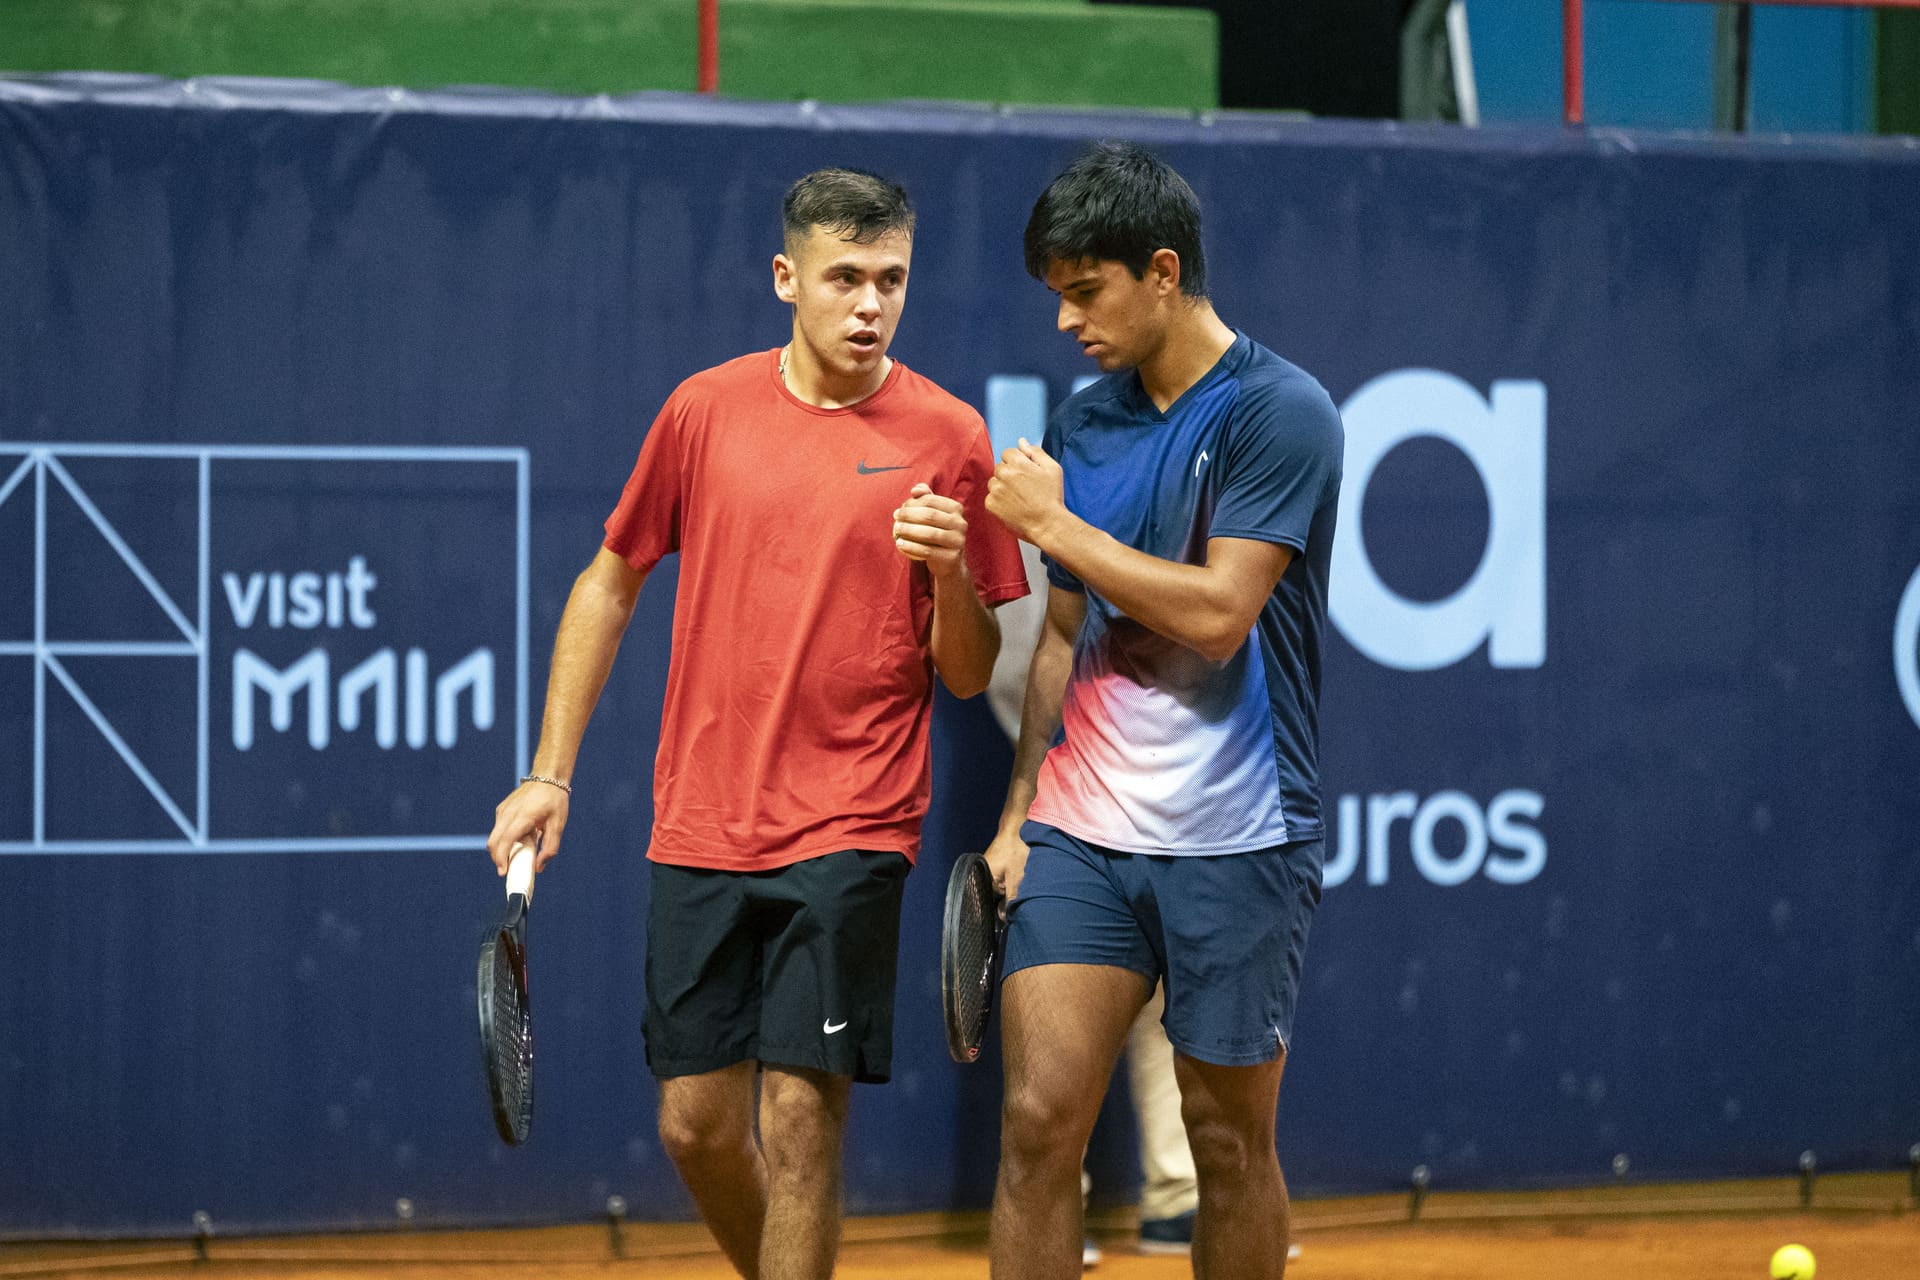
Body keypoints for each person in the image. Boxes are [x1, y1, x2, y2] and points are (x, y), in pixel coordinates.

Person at [487, 167, 1029, 1280]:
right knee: (694, 1125)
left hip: (855, 820)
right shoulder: (703, 410)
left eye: (891, 280)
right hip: (703, 821)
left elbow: (970, 675)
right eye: (844, 278)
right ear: (787, 278)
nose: (870, 305)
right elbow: (609, 581)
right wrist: (549, 771)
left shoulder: (950, 435)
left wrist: (948, 573)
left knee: (799, 1117)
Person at [982, 140, 1343, 1279]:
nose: (1066, 321)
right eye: (1057, 295)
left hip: (1239, 835)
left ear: (1164, 271)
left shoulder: (1282, 412)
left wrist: (1055, 526)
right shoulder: (1085, 424)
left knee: (1227, 1142)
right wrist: (1016, 816)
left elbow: (1222, 613)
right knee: (1037, 1123)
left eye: (1087, 292)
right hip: (1083, 829)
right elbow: (1059, 636)